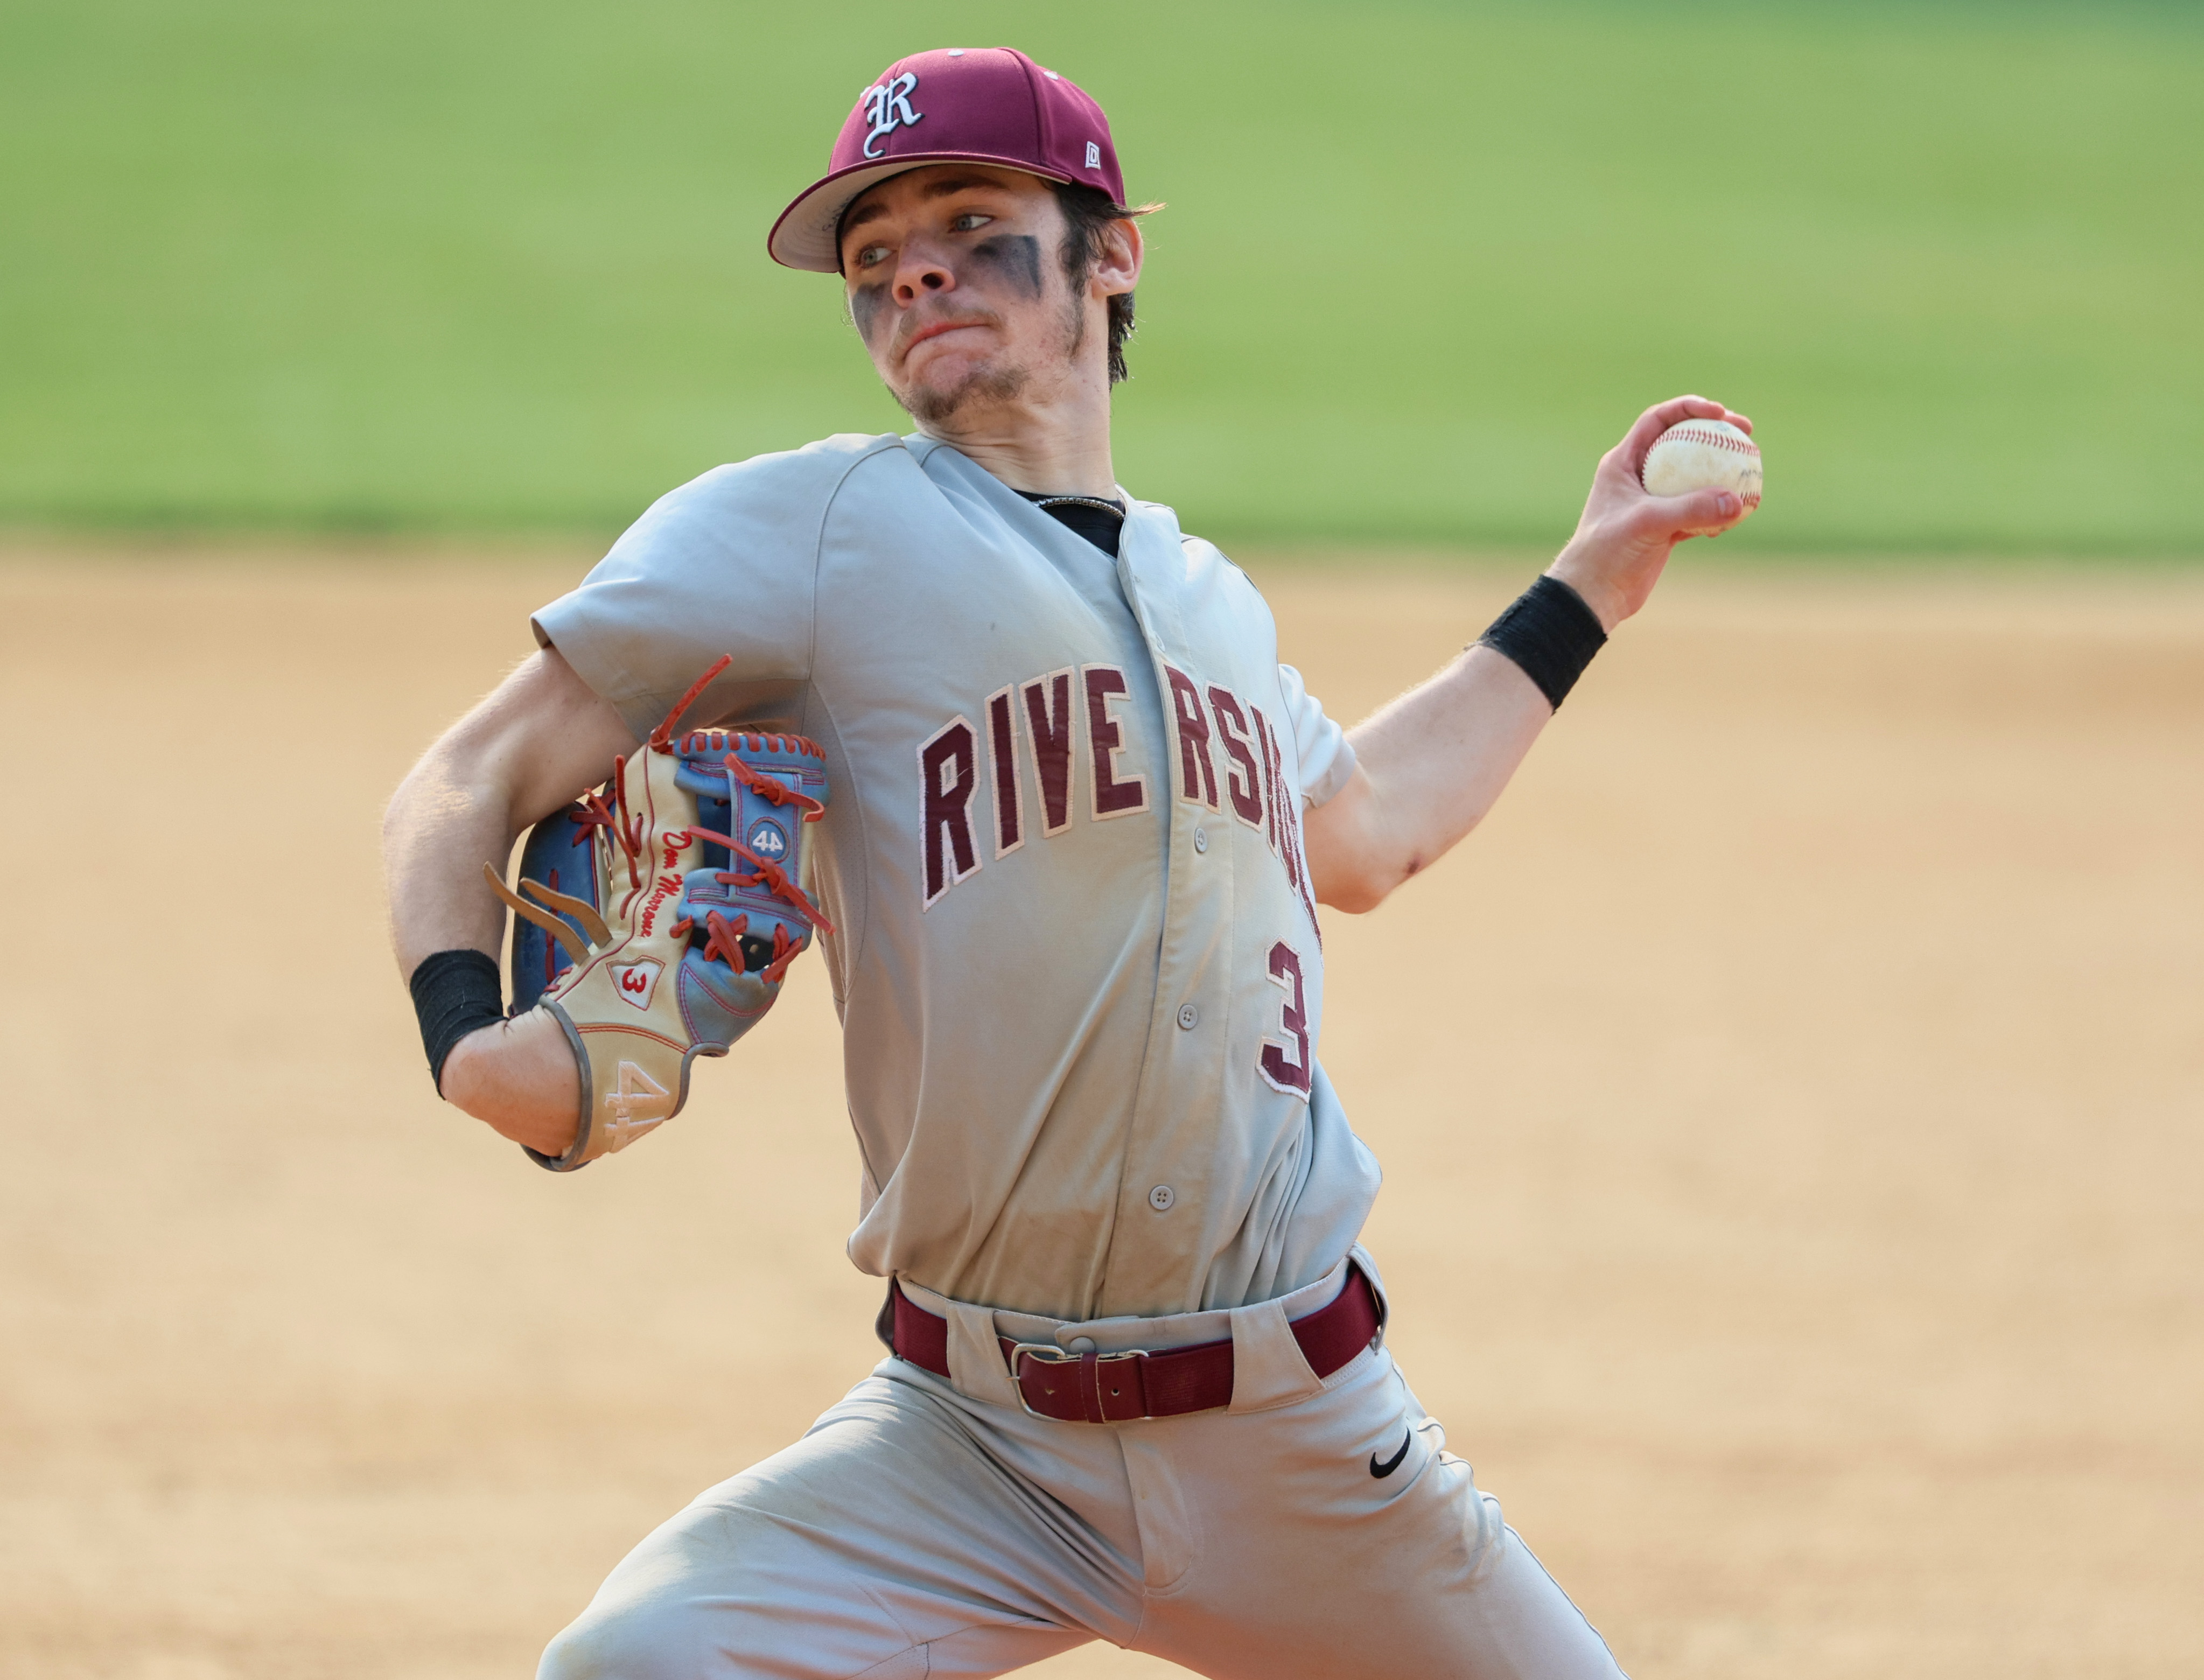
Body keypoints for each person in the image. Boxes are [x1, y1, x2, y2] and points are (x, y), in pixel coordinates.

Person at [382, 45, 1749, 1680]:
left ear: (1110, 256)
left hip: (1304, 1445)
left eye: (972, 223)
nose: (916, 273)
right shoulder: (811, 530)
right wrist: (465, 1032)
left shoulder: (1210, 601)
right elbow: (467, 775)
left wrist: (1592, 582)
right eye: (876, 257)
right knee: (630, 1668)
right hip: (965, 1447)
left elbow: (1375, 826)